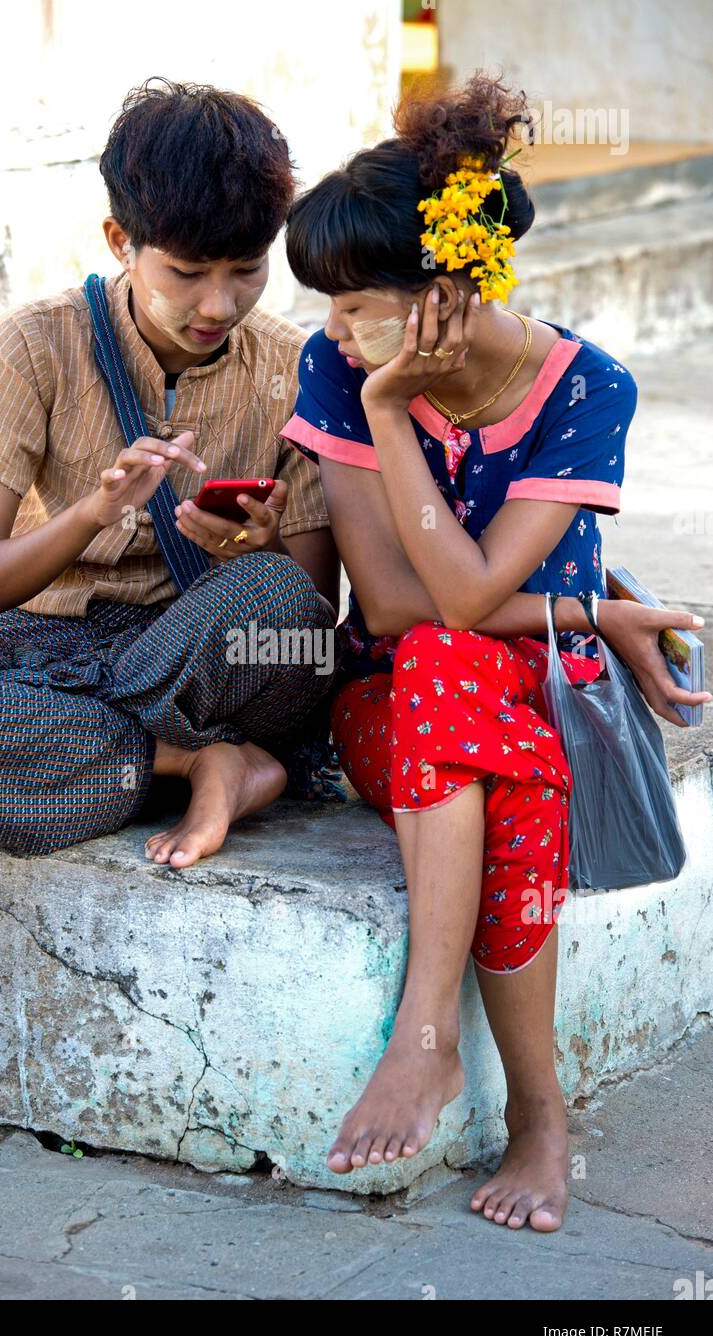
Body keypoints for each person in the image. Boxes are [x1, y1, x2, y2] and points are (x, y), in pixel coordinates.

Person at [281, 73, 710, 1229]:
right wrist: (585, 611)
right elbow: (386, 601)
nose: (331, 332)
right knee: (437, 680)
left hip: (535, 694)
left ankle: (456, 1066)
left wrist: (390, 420)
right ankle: (529, 1111)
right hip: (398, 692)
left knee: (467, 698)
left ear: (452, 293)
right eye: (325, 304)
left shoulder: (583, 388)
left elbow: (463, 596)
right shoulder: (346, 371)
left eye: (358, 304)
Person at [0, 79, 339, 864]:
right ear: (120, 240)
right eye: (185, 272)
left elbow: (312, 616)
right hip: (48, 645)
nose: (218, 303)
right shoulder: (34, 345)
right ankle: (189, 762)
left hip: (202, 656)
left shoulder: (297, 368)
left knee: (276, 602)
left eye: (246, 270)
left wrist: (247, 551)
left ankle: (42, 757)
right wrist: (90, 514)